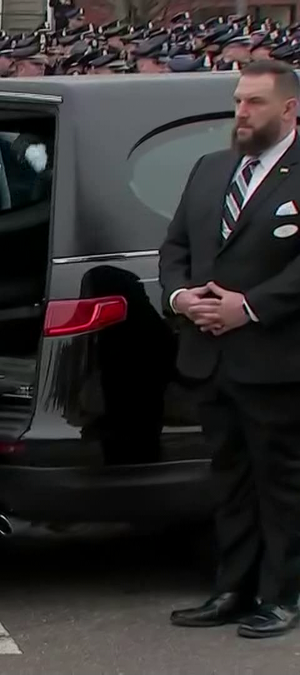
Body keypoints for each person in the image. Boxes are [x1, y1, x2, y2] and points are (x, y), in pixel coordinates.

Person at [162, 59, 300, 639]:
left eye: (254, 103)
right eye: (239, 100)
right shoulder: (210, 168)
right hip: (210, 359)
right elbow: (173, 246)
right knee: (230, 480)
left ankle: (283, 594)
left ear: (289, 109)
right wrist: (180, 298)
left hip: (276, 359)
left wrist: (250, 305)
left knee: (282, 484)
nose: (240, 112)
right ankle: (233, 589)